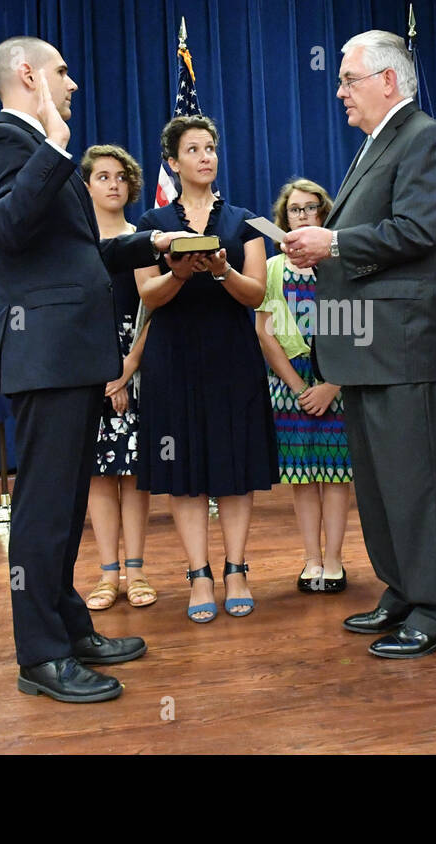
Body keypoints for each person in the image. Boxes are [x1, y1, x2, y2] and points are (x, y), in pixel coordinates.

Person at [0, 36, 191, 701]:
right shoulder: (2, 145)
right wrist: (56, 141)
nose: (72, 83)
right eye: (62, 72)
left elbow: (73, 260)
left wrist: (148, 243)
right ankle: (40, 658)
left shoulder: (38, 153)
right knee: (42, 511)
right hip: (46, 355)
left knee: (66, 505)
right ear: (29, 75)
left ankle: (69, 629)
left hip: (71, 354)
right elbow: (6, 230)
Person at [284, 30, 436, 659]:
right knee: (383, 485)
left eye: (347, 79)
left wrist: (330, 244)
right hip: (368, 349)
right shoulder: (375, 146)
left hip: (409, 348)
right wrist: (321, 251)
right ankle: (404, 589)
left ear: (387, 80)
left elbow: (418, 228)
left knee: (419, 483)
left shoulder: (426, 138)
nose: (339, 91)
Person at [134, 114, 278, 623]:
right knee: (184, 470)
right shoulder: (150, 226)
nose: (205, 156)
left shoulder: (246, 220)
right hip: (173, 356)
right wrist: (176, 274)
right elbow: (146, 295)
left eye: (211, 147)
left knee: (235, 467)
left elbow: (257, 293)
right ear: (172, 162)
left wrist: (223, 272)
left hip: (231, 354)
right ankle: (198, 574)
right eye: (193, 149)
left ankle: (236, 568)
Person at [255, 179, 352, 594]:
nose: (303, 214)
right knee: (302, 477)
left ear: (323, 214)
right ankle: (311, 559)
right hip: (290, 385)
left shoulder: (338, 266)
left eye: (311, 208)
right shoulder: (274, 269)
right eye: (296, 209)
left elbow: (356, 331)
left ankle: (334, 561)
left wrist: (331, 384)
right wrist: (297, 387)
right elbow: (265, 333)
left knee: (335, 475)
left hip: (337, 383)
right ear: (284, 218)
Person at [79, 144, 156, 611]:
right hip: (88, 370)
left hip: (138, 367)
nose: (113, 184)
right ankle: (108, 574)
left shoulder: (142, 238)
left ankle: (138, 570)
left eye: (121, 177)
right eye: (103, 176)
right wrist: (105, 372)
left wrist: (128, 368)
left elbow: (153, 309)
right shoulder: (77, 244)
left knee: (133, 475)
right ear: (86, 186)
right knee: (98, 476)